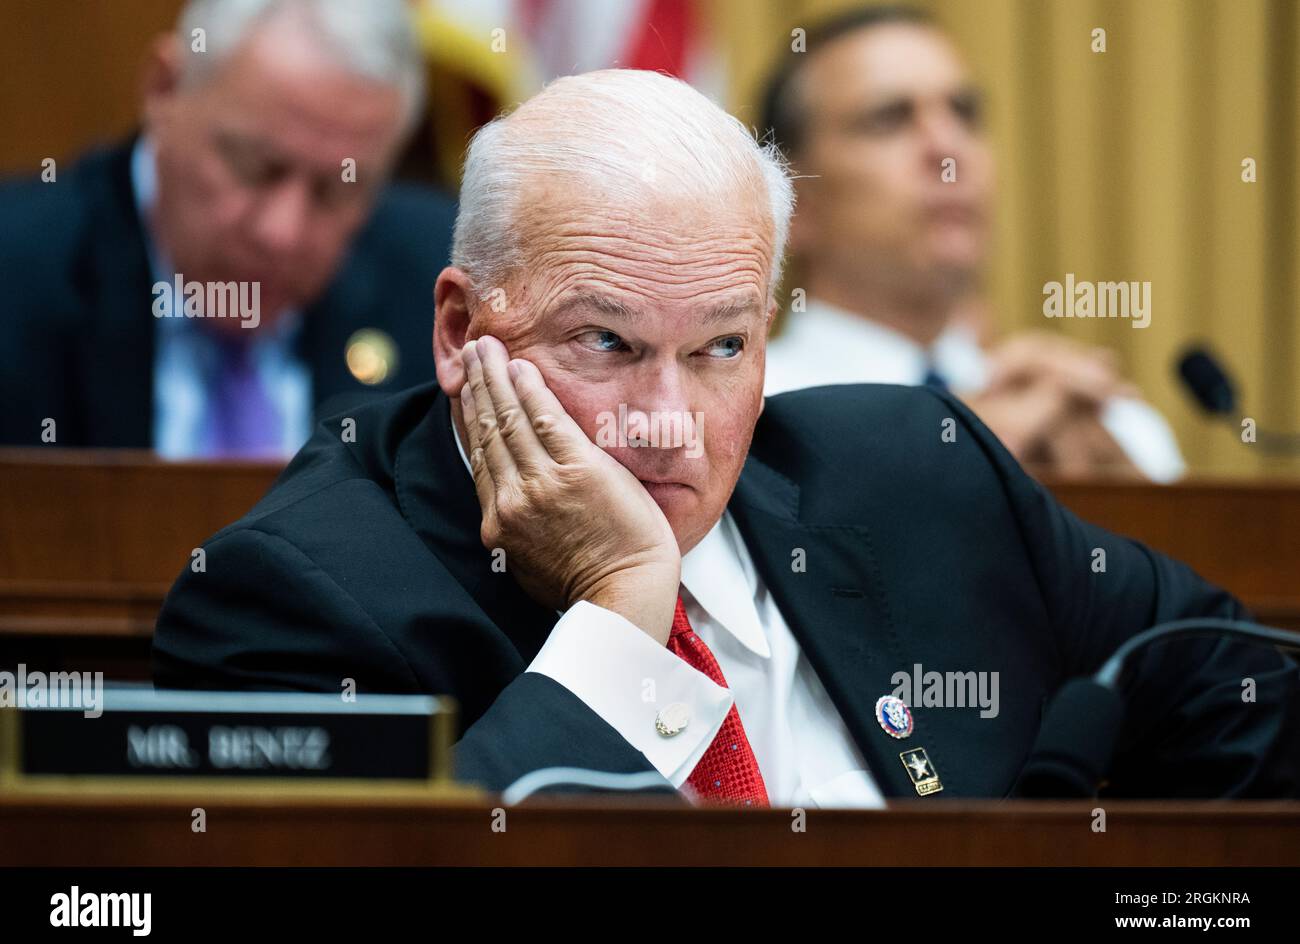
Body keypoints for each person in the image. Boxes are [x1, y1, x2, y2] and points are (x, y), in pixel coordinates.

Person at [153, 69, 1295, 805]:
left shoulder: (921, 477)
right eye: (605, 340)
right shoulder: (295, 599)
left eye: (721, 348)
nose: (669, 422)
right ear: (460, 331)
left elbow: (1251, 706)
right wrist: (620, 616)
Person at [0, 0, 455, 458]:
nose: (281, 234)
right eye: (255, 168)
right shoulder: (16, 274)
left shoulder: (441, 292)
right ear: (165, 89)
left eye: (336, 190)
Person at [760, 5, 1185, 482]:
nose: (948, 148)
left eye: (964, 113)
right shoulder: (749, 424)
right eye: (889, 119)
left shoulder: (1109, 426)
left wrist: (1120, 512)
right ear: (794, 200)